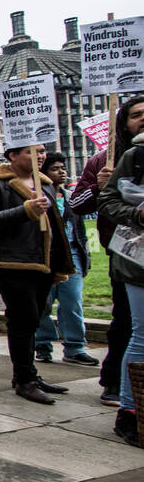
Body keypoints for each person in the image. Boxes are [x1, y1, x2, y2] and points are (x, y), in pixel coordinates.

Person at [0, 144, 74, 404]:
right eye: (32, 152)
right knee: (23, 318)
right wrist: (25, 210)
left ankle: (29, 374)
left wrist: (59, 262)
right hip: (10, 262)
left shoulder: (45, 183)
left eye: (41, 151)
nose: (40, 156)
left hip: (42, 262)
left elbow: (57, 227)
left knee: (36, 317)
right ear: (13, 155)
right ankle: (24, 379)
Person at [70, 96, 144, 407]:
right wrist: (98, 187)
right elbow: (76, 204)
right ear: (123, 122)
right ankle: (115, 384)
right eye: (137, 115)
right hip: (126, 252)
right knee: (128, 322)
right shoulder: (102, 160)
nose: (143, 119)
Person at [92, 121, 144, 445]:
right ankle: (129, 412)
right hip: (139, 260)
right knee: (141, 335)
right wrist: (137, 214)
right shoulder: (136, 156)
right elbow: (107, 202)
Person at [33, 152, 97, 368]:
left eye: (63, 168)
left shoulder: (71, 197)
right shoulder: (37, 198)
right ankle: (43, 342)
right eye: (55, 169)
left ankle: (75, 346)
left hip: (72, 258)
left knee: (72, 303)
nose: (61, 172)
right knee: (44, 304)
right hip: (46, 257)